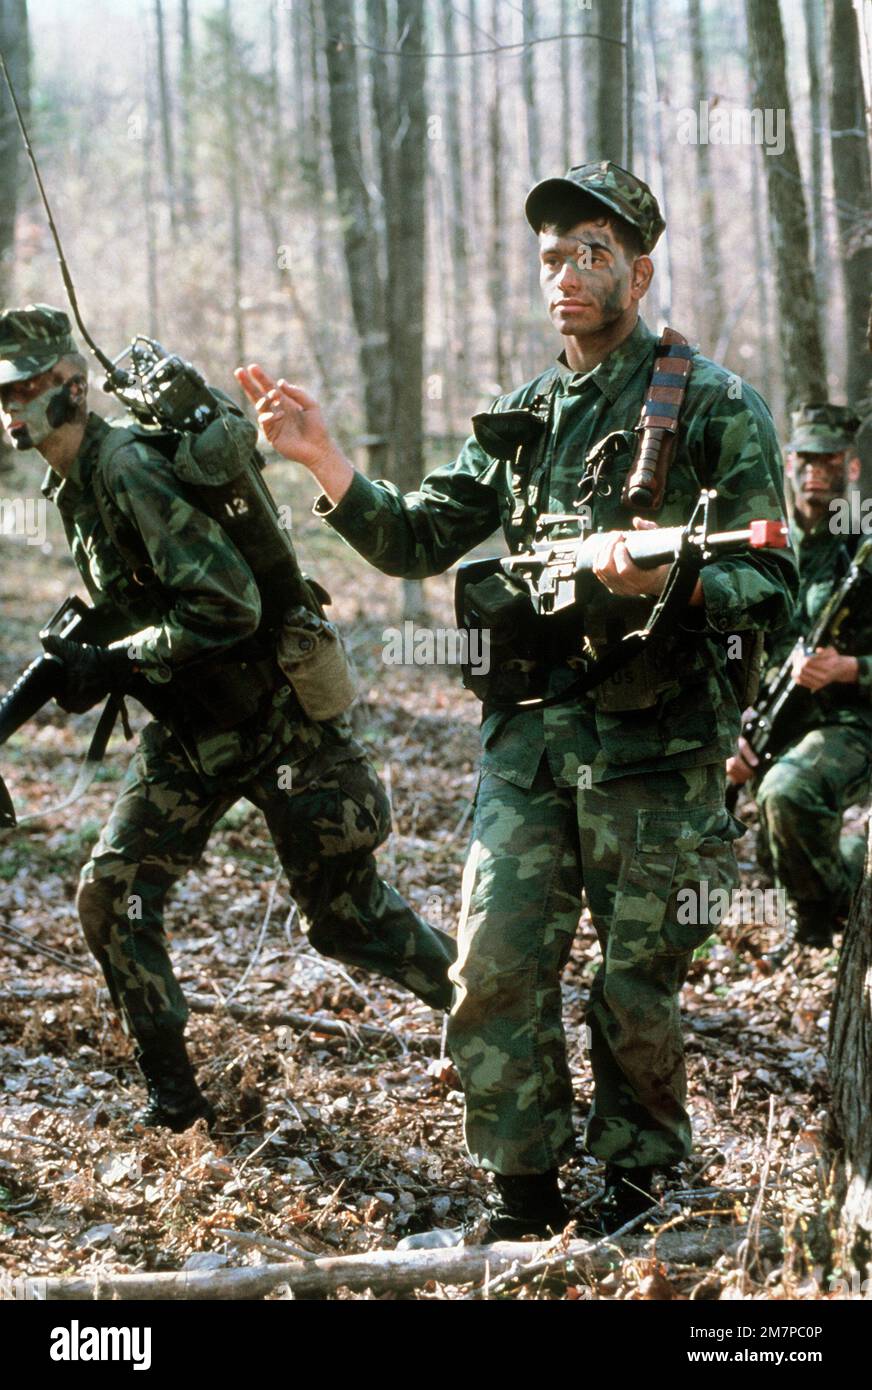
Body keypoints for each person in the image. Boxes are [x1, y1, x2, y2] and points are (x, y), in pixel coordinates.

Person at [236, 160, 797, 1236]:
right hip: (532, 745)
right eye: (551, 257)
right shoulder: (523, 416)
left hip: (653, 747)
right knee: (490, 966)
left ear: (637, 269)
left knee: (633, 991)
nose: (567, 275)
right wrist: (322, 459)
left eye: (591, 254)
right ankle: (523, 1194)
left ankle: (636, 1194)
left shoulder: (714, 403)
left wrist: (661, 581)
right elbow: (413, 536)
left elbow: (768, 583)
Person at [0, 303, 455, 1132]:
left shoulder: (127, 465)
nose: (12, 409)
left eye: (26, 390)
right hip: (191, 725)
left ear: (72, 386)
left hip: (278, 717)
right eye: (2, 395)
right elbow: (143, 602)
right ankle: (175, 1107)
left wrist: (116, 659)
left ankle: (498, 1025)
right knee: (114, 895)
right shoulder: (68, 486)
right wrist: (96, 653)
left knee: (348, 921)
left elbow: (228, 605)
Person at [727, 402, 871, 949]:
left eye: (828, 460)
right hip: (778, 722)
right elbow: (729, 647)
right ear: (787, 464)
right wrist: (732, 733)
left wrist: (850, 668)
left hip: (853, 718)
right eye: (804, 459)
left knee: (787, 795)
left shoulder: (863, 546)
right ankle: (850, 878)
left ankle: (819, 925)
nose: (815, 471)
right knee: (774, 841)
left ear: (851, 468)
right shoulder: (766, 544)